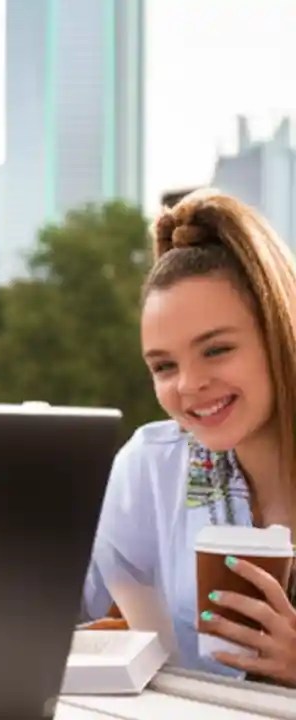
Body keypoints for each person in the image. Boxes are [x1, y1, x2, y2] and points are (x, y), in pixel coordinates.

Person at [83, 189, 296, 688]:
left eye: (217, 349)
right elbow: (63, 610)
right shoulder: (153, 467)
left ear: (279, 332)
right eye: (164, 366)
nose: (189, 385)